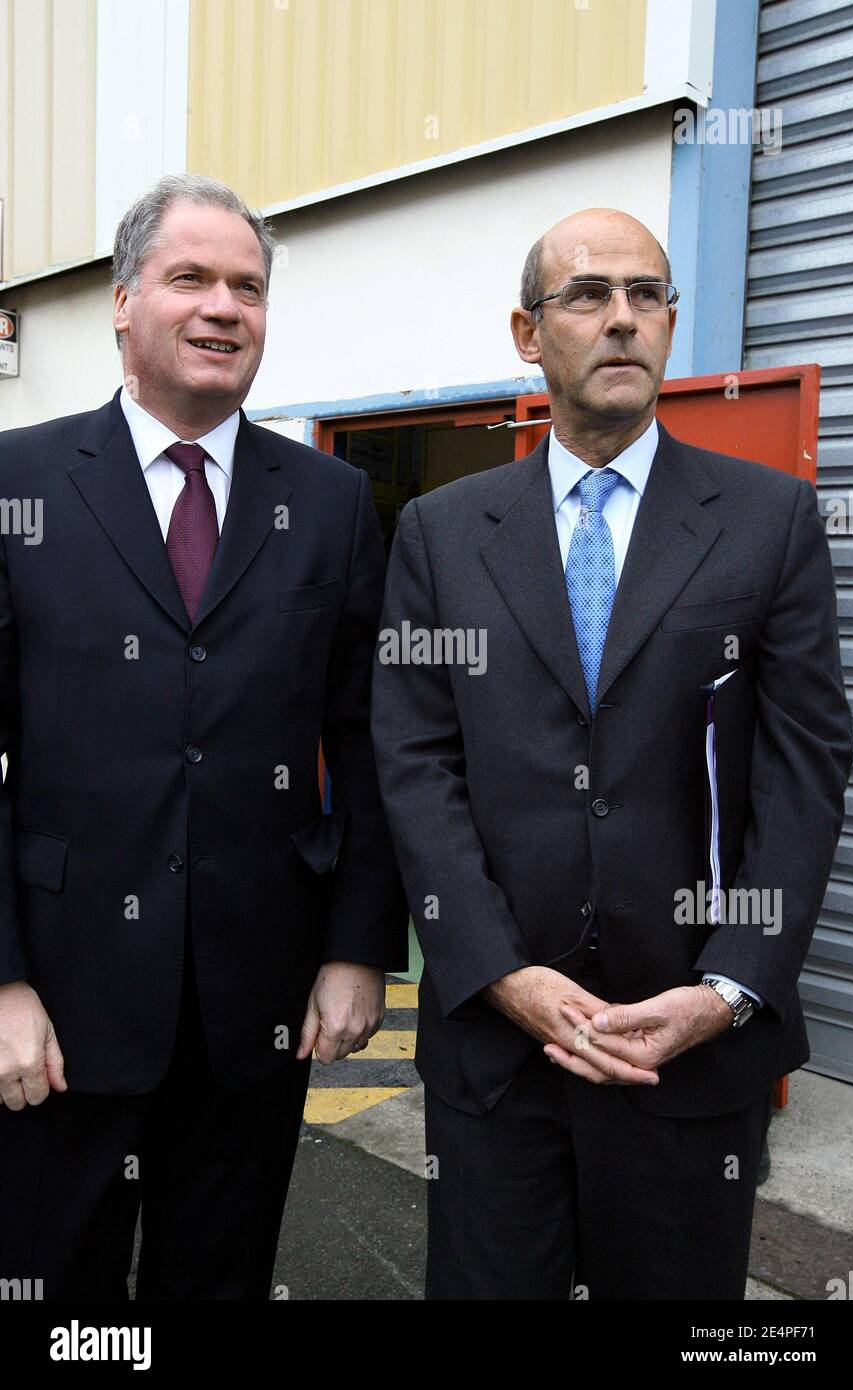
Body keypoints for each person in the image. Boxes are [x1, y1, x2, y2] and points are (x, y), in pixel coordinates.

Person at [371, 208, 853, 1300]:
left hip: (684, 1048)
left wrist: (730, 983)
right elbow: (412, 760)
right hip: (500, 1057)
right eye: (586, 295)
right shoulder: (442, 535)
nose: (622, 320)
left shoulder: (766, 520)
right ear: (524, 331)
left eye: (647, 295)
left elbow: (803, 764)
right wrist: (495, 970)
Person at [0, 174, 406, 1300]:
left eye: (248, 287)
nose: (224, 307)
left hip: (253, 1007)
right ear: (123, 303)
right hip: (61, 1007)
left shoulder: (327, 502)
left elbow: (367, 736)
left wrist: (356, 945)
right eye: (192, 278)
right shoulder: (18, 481)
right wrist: (2, 982)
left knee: (217, 1280)